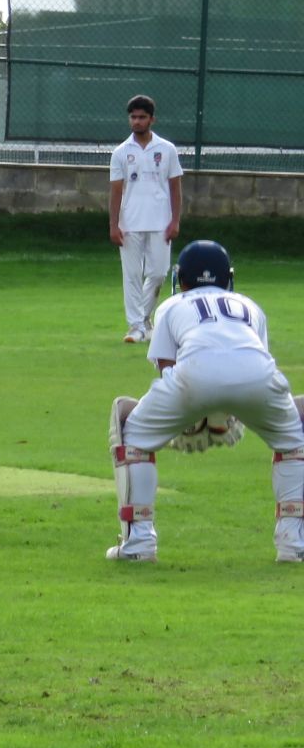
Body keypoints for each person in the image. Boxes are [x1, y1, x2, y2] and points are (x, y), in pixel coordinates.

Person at [108, 240, 304, 563]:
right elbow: (247, 366)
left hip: (193, 377)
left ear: (180, 280)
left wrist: (192, 418)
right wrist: (224, 413)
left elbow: (168, 371)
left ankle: (138, 544)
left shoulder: (170, 306)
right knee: (295, 435)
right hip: (258, 377)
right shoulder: (250, 305)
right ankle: (293, 543)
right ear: (228, 278)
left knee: (128, 423)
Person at [109, 94, 182, 343]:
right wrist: (113, 225)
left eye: (141, 117)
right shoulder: (120, 152)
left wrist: (175, 221)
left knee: (159, 273)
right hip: (129, 223)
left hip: (161, 222)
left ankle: (144, 319)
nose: (137, 122)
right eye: (133, 117)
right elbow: (116, 191)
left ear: (152, 119)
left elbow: (175, 187)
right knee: (131, 275)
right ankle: (136, 328)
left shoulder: (167, 149)